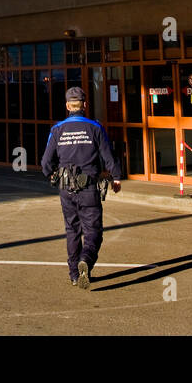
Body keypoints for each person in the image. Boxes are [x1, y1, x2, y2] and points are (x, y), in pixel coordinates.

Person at [41, 87, 121, 289]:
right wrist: (116, 178)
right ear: (85, 105)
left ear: (68, 106)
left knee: (72, 230)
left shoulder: (57, 129)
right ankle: (86, 259)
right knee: (93, 230)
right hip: (89, 189)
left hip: (66, 189)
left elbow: (46, 163)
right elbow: (108, 155)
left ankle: (74, 274)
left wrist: (50, 174)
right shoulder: (95, 127)